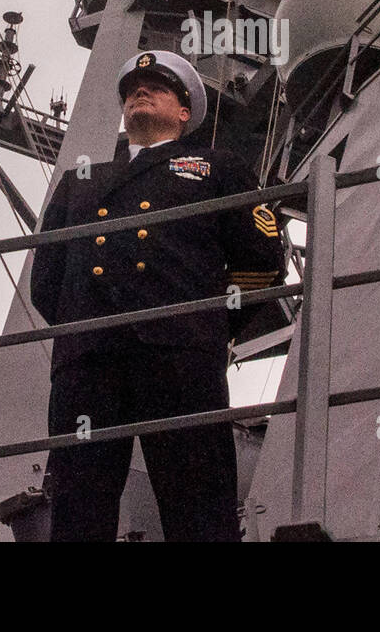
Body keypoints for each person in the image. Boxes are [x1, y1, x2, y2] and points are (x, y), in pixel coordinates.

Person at [31, 50, 286, 541]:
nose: (139, 93)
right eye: (132, 89)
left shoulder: (217, 168)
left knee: (197, 498)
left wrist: (206, 327)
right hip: (88, 362)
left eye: (157, 87)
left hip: (181, 355)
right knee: (78, 500)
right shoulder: (79, 182)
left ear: (185, 112)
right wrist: (84, 330)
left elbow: (260, 262)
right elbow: (47, 281)